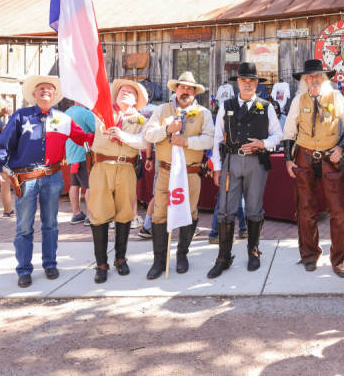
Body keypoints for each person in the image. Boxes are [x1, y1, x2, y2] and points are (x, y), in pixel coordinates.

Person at [0, 75, 94, 288]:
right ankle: (24, 269)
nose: (46, 91)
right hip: (26, 179)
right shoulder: (20, 117)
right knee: (24, 227)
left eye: (50, 89)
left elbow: (85, 138)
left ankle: (50, 264)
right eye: (41, 88)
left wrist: (107, 129)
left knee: (51, 224)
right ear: (34, 94)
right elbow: (2, 145)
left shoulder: (64, 119)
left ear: (55, 96)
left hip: (52, 178)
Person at [282, 59, 344, 277]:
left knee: (339, 212)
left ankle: (342, 258)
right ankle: (309, 255)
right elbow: (289, 132)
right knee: (305, 210)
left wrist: (340, 147)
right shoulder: (299, 100)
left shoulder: (336, 97)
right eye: (309, 77)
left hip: (329, 159)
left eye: (317, 76)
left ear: (324, 79)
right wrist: (288, 159)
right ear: (305, 80)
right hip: (304, 158)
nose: (313, 80)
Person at [208, 62, 282, 278]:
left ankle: (253, 251)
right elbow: (216, 137)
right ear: (238, 83)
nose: (247, 84)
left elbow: (278, 135)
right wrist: (217, 168)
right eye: (243, 80)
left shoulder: (265, 106)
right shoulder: (227, 105)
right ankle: (223, 256)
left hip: (256, 163)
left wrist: (263, 144)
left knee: (254, 208)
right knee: (225, 209)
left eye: (251, 81)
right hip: (231, 161)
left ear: (257, 83)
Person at [143, 71, 215, 279]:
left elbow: (210, 140)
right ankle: (159, 260)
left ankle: (182, 254)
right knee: (159, 214)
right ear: (176, 89)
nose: (186, 91)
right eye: (182, 87)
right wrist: (167, 129)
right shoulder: (161, 110)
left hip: (190, 172)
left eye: (190, 88)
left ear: (195, 92)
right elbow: (148, 134)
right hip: (166, 170)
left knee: (189, 212)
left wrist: (187, 142)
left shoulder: (203, 113)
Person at [87, 79, 149, 284]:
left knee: (124, 213)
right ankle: (101, 263)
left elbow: (143, 142)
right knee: (99, 213)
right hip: (102, 166)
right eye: (122, 90)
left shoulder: (140, 120)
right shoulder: (101, 113)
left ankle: (120, 259)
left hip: (126, 168)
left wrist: (122, 136)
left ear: (136, 100)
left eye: (130, 92)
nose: (125, 93)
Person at [64, 101, 96, 225]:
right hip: (84, 154)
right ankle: (89, 216)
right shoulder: (86, 113)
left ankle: (76, 214)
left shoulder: (67, 112)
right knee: (90, 186)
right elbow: (98, 131)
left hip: (71, 153)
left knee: (74, 184)